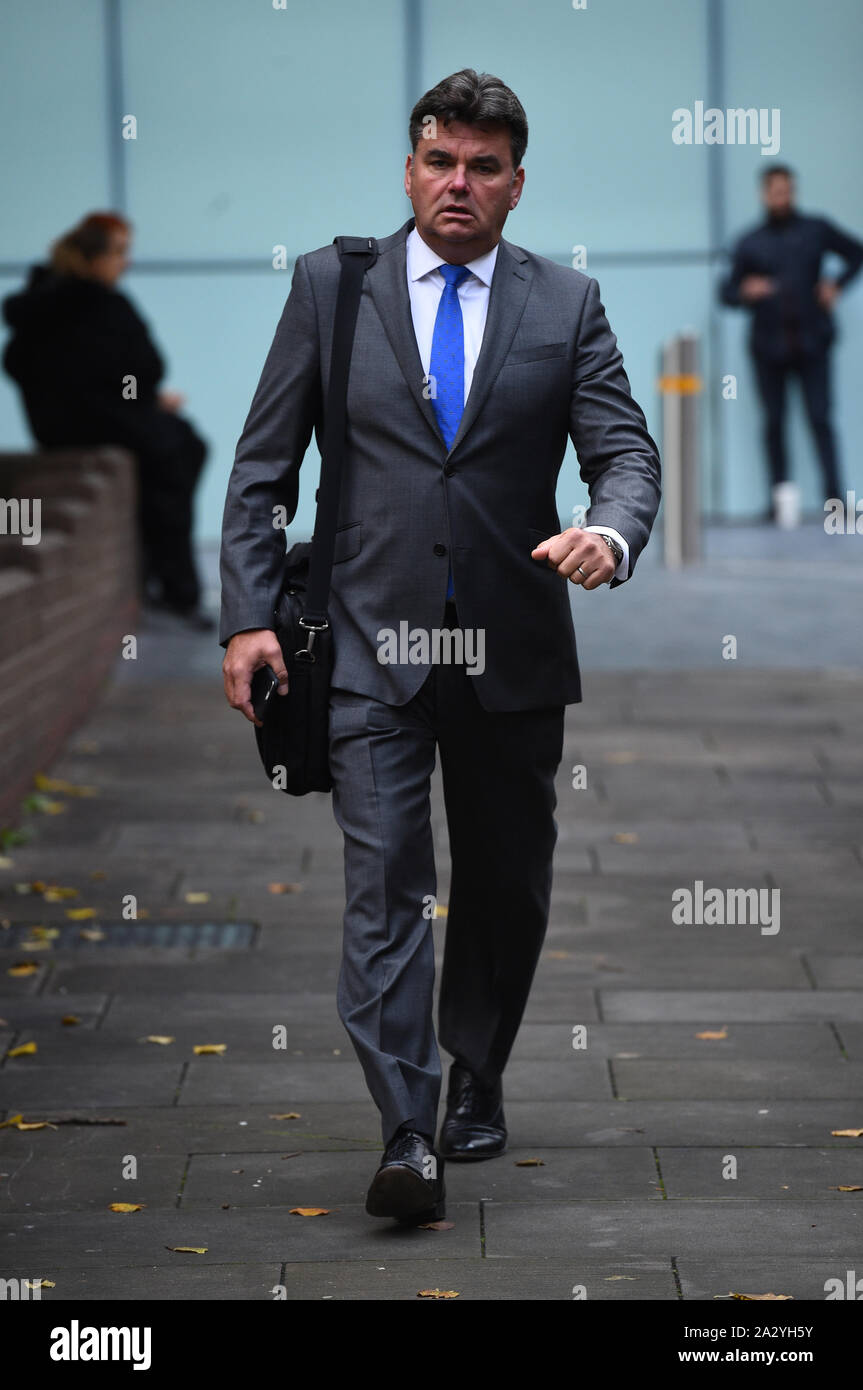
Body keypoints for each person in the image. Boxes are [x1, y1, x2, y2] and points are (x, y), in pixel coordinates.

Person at [220, 69, 661, 1225]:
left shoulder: (563, 303)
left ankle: (477, 1064)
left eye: (481, 167)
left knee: (504, 883)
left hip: (508, 649)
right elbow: (264, 467)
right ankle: (407, 1129)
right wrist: (248, 613)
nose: (454, 183)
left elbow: (623, 449)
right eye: (436, 161)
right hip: (367, 646)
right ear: (408, 168)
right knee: (386, 888)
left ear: (516, 185)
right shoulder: (334, 288)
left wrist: (609, 534)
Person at [2, 212, 213, 628]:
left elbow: (33, 366)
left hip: (56, 429)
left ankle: (163, 578)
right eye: (119, 253)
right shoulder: (100, 303)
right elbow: (142, 366)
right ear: (92, 258)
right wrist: (147, 400)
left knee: (176, 448)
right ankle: (177, 590)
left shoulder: (36, 304)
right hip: (104, 423)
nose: (125, 262)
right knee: (181, 448)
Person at [719, 165, 863, 519]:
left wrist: (836, 285)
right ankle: (781, 504)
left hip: (813, 343)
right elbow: (726, 293)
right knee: (774, 421)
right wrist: (745, 291)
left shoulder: (816, 229)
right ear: (765, 194)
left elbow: (856, 252)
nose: (783, 197)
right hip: (768, 348)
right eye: (776, 191)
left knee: (820, 418)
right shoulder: (750, 241)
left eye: (788, 191)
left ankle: (836, 502)